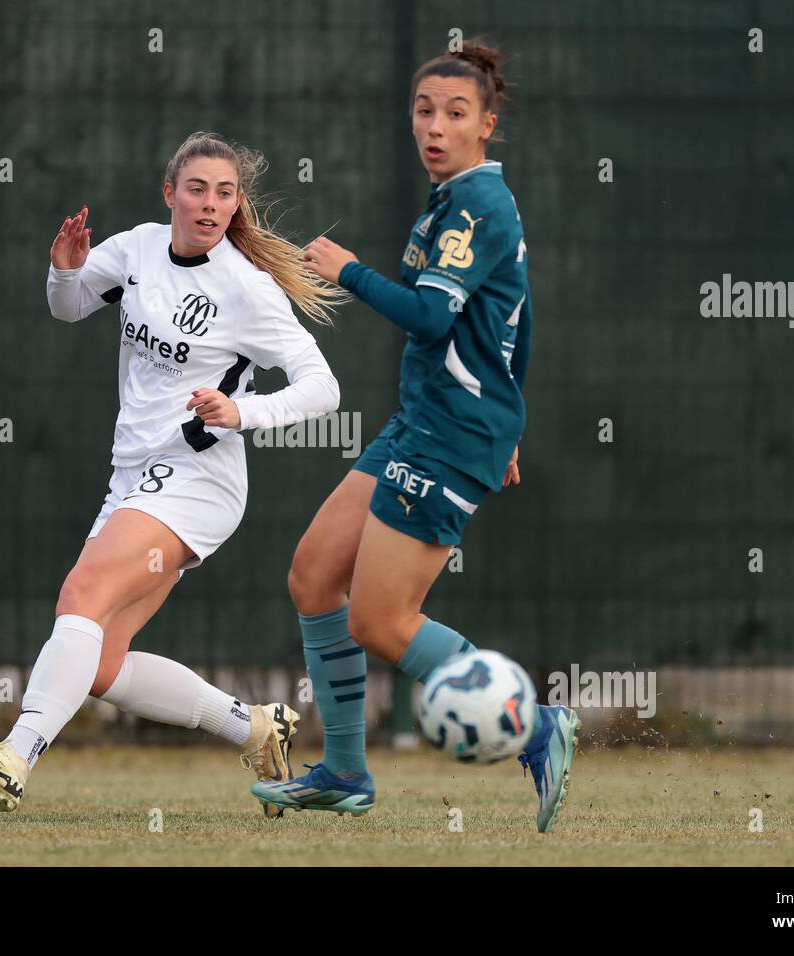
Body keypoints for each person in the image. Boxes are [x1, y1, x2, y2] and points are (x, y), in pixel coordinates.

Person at [0, 132, 347, 814]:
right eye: (197, 189)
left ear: (235, 203)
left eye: (224, 192)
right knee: (100, 666)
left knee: (82, 593)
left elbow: (322, 387)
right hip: (132, 476)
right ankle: (252, 726)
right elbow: (67, 306)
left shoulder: (245, 289)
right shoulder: (134, 247)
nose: (210, 203)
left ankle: (15, 755)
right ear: (170, 194)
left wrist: (240, 412)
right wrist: (65, 269)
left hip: (197, 477)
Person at [251, 43, 581, 832]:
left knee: (380, 620)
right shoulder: (453, 201)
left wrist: (350, 271)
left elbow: (433, 316)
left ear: (487, 125)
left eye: (456, 113)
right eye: (424, 110)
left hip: (447, 432)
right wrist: (511, 417)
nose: (436, 125)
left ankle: (537, 725)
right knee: (311, 577)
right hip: (428, 423)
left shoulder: (475, 206)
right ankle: (345, 773)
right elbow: (514, 315)